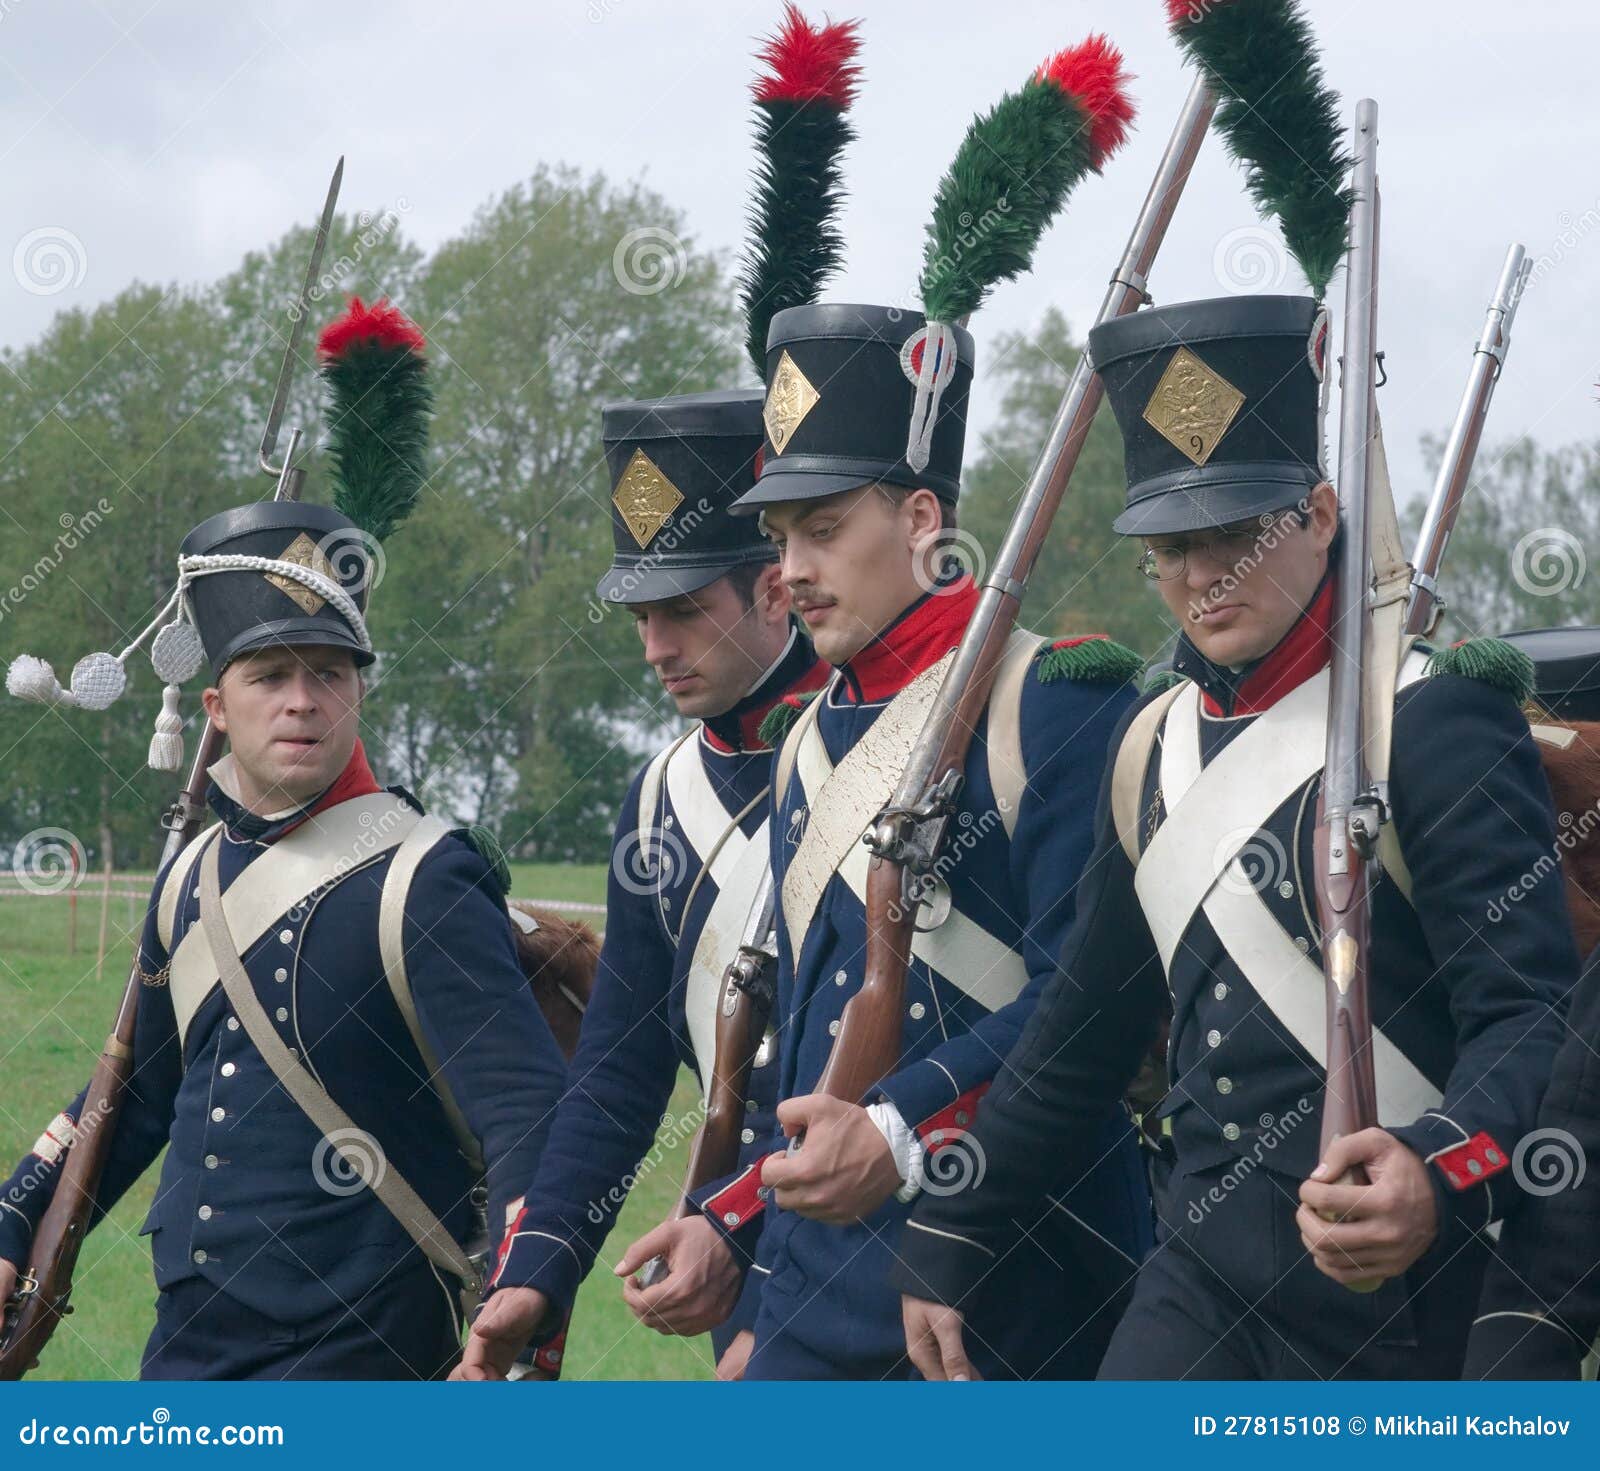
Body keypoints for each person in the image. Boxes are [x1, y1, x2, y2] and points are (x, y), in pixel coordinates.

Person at [892, 292, 1577, 1380]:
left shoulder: (1434, 722)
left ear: (1318, 514)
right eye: (1170, 547)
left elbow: (1531, 1015)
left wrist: (1438, 1165)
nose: (1200, 577)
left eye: (1232, 535)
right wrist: (955, 1222)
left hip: (1410, 1292)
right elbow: (1081, 1031)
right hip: (1200, 1280)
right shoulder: (1150, 746)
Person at [0, 300, 567, 1380]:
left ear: (358, 690)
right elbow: (137, 1094)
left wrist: (521, 1314)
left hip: (366, 1353)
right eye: (270, 675)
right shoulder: (190, 879)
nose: (303, 699)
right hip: (190, 1344)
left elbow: (526, 1114)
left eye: (328, 672)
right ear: (217, 706)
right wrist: (14, 1214)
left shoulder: (422, 874)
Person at [614, 299, 1154, 1381]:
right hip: (817, 1288)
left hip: (1007, 1274)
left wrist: (900, 1122)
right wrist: (731, 1221)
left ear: (919, 519)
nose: (790, 569)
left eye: (822, 530)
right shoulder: (806, 738)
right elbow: (808, 1034)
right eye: (780, 538)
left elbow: (1085, 1007)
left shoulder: (1052, 700)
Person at [453, 388, 826, 1381]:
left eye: (685, 612)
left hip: (881, 1249)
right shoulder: (660, 800)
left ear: (774, 591)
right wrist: (539, 1267)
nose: (656, 647)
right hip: (733, 1258)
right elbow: (618, 1070)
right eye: (643, 616)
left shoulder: (884, 752)